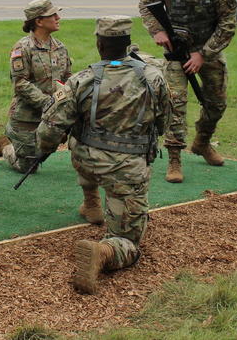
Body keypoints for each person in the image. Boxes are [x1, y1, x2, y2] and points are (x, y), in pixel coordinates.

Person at [36, 16, 171, 294]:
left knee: (78, 141)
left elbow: (48, 131)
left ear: (99, 44)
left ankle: (91, 202)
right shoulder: (152, 77)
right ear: (127, 45)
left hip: (87, 161)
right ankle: (107, 251)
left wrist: (48, 146)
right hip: (127, 169)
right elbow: (163, 123)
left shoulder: (82, 80)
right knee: (129, 241)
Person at [138, 0, 237, 183]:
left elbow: (227, 27)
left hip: (208, 51)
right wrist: (157, 31)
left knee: (216, 103)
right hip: (176, 53)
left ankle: (202, 142)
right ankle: (174, 157)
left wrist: (202, 55)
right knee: (175, 102)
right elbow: (145, 5)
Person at [0, 0, 73, 175]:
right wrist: (48, 103)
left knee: (49, 146)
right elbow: (20, 84)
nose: (58, 17)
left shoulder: (60, 48)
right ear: (39, 21)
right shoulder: (23, 48)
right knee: (27, 168)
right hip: (26, 117)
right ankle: (4, 146)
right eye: (52, 15)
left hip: (52, 114)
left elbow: (67, 77)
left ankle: (28, 146)